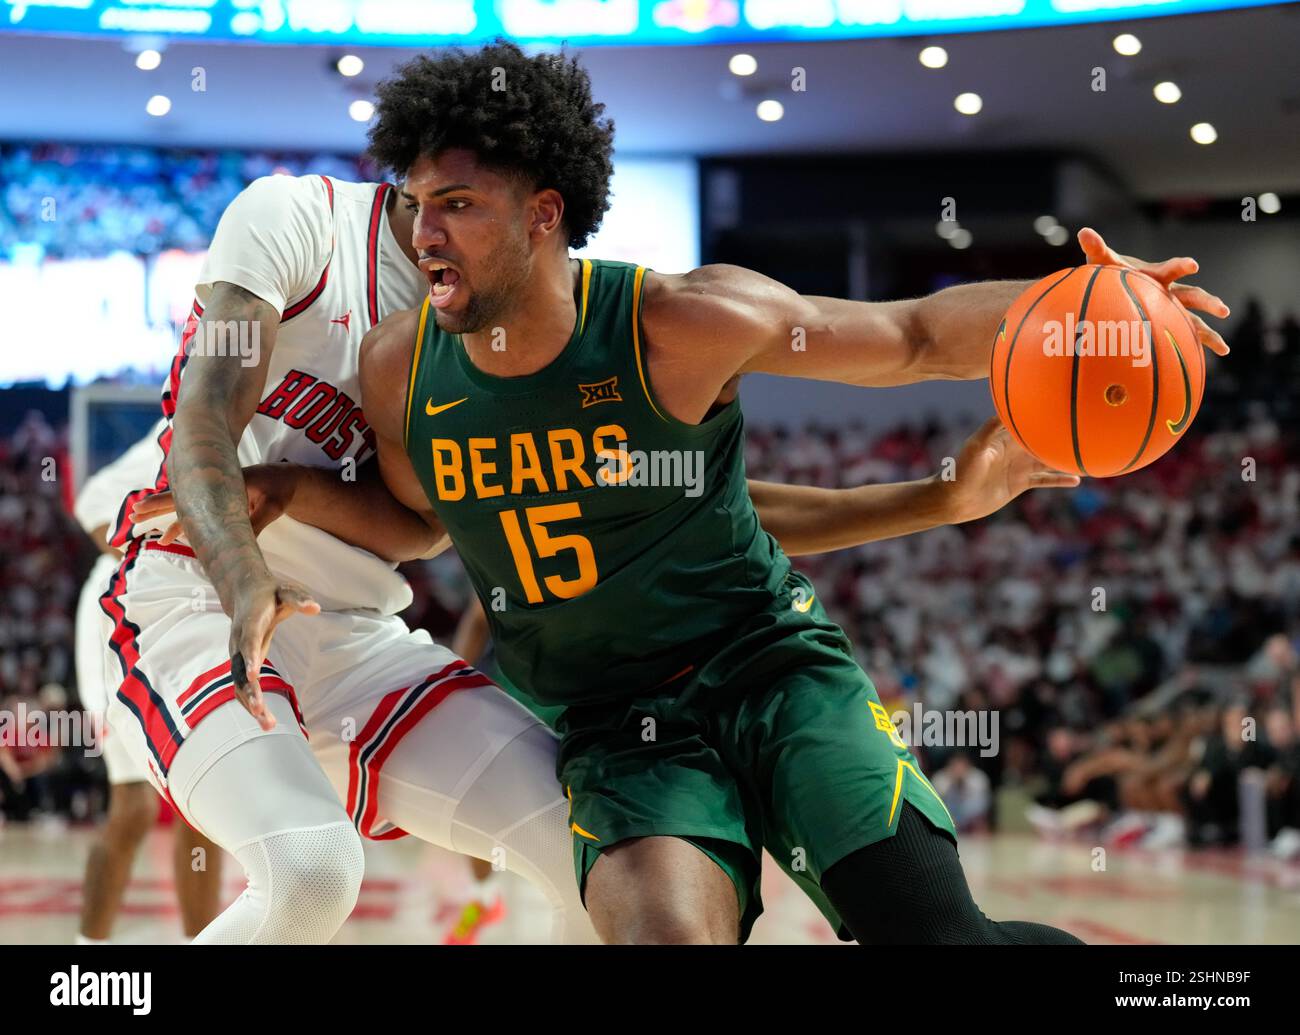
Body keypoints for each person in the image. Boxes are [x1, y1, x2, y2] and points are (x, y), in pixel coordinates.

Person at [73, 423, 222, 943]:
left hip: (192, 618)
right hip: (117, 612)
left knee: (202, 808)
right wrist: (152, 561)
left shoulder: (283, 439)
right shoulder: (190, 425)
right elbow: (92, 501)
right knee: (134, 808)